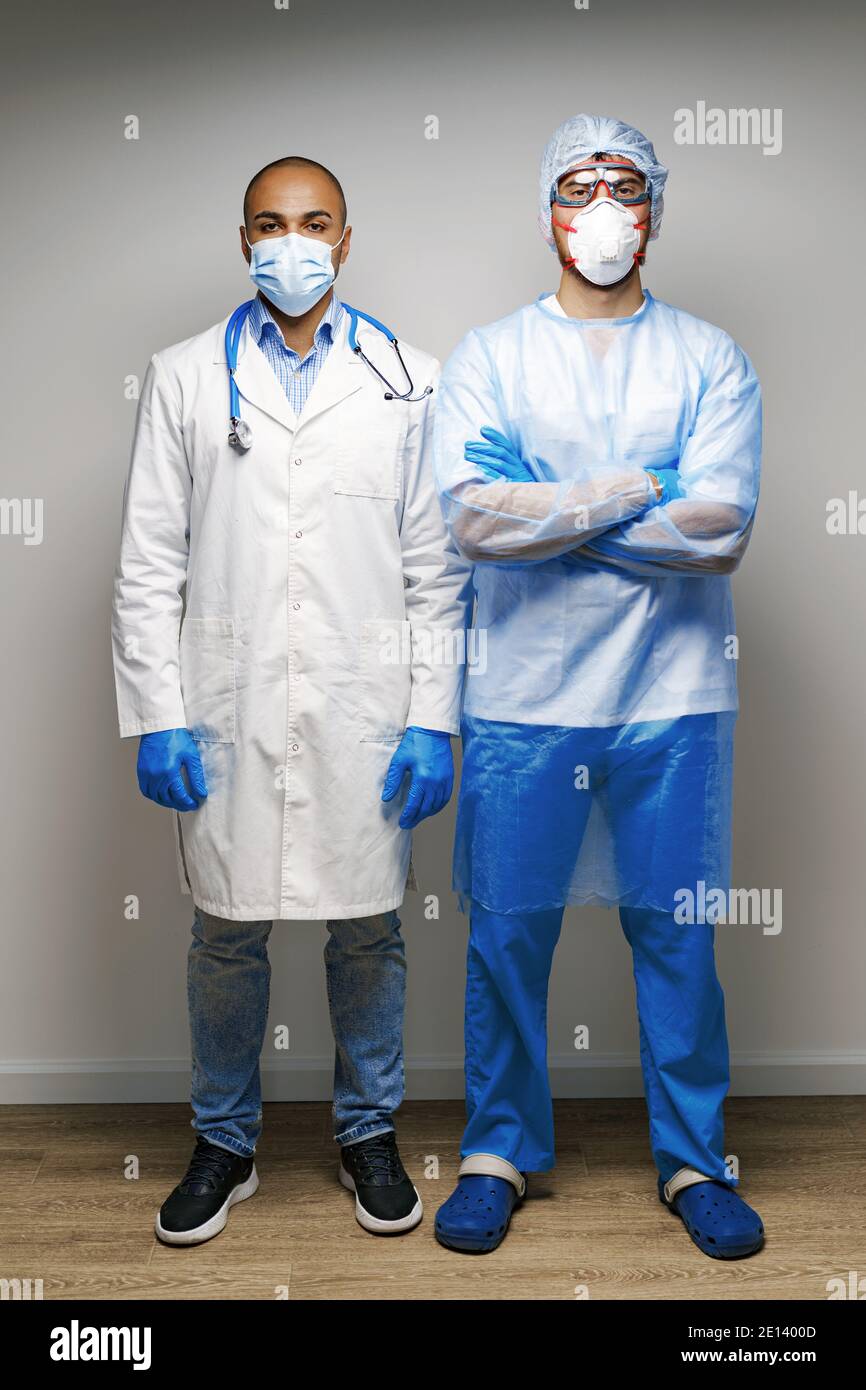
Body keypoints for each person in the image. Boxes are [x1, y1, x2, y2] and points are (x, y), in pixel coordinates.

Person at [112, 155, 472, 1245]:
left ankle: (367, 1132)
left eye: (314, 222)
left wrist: (430, 714)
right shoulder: (182, 376)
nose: (292, 243)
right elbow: (146, 564)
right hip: (229, 702)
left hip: (363, 707)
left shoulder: (412, 377)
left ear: (346, 239)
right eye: (270, 224)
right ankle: (224, 1141)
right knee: (225, 932)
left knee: (368, 930)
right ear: (242, 239)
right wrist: (157, 709)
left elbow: (435, 566)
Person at [432, 115, 764, 1259]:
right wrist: (639, 488)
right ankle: (496, 1152)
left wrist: (553, 510)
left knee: (677, 931)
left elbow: (718, 532)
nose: (602, 206)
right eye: (578, 185)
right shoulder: (489, 355)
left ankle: (691, 1159)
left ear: (654, 209)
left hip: (672, 694)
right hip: (524, 694)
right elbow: (469, 516)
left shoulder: (709, 356)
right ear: (547, 213)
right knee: (506, 933)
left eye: (623, 183)